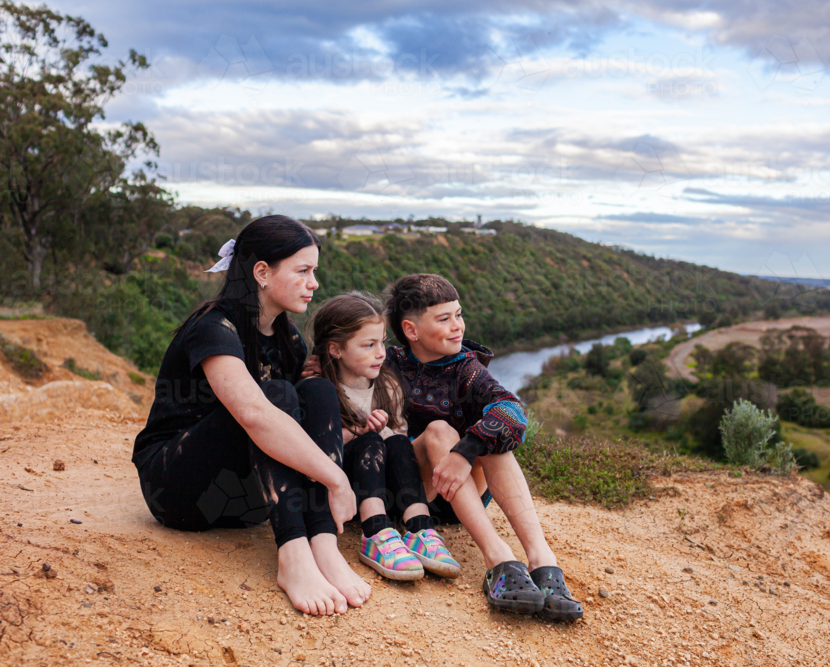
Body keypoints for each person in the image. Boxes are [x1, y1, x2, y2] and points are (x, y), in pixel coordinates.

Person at [131, 215, 370, 617]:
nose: (314, 283)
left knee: (317, 390)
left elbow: (300, 426)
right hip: (178, 490)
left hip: (244, 499)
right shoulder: (213, 327)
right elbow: (255, 416)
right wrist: (336, 477)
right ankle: (293, 557)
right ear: (262, 272)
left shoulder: (289, 339)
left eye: (315, 271)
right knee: (272, 395)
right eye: (303, 271)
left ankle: (323, 547)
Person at [383, 273, 583, 621]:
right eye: (444, 319)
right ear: (411, 331)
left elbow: (513, 411)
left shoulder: (467, 369)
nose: (457, 326)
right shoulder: (387, 362)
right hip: (406, 492)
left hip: (459, 497)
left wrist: (467, 450)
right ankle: (498, 558)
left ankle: (542, 560)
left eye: (458, 314)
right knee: (439, 430)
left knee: (495, 435)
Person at [309, 293, 460, 581]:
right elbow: (313, 450)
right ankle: (375, 534)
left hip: (388, 491)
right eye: (368, 345)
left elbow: (398, 444)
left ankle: (419, 528)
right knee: (370, 441)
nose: (381, 353)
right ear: (335, 350)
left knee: (399, 441)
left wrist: (381, 430)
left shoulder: (386, 384)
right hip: (345, 496)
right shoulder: (320, 388)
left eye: (381, 342)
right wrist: (361, 430)